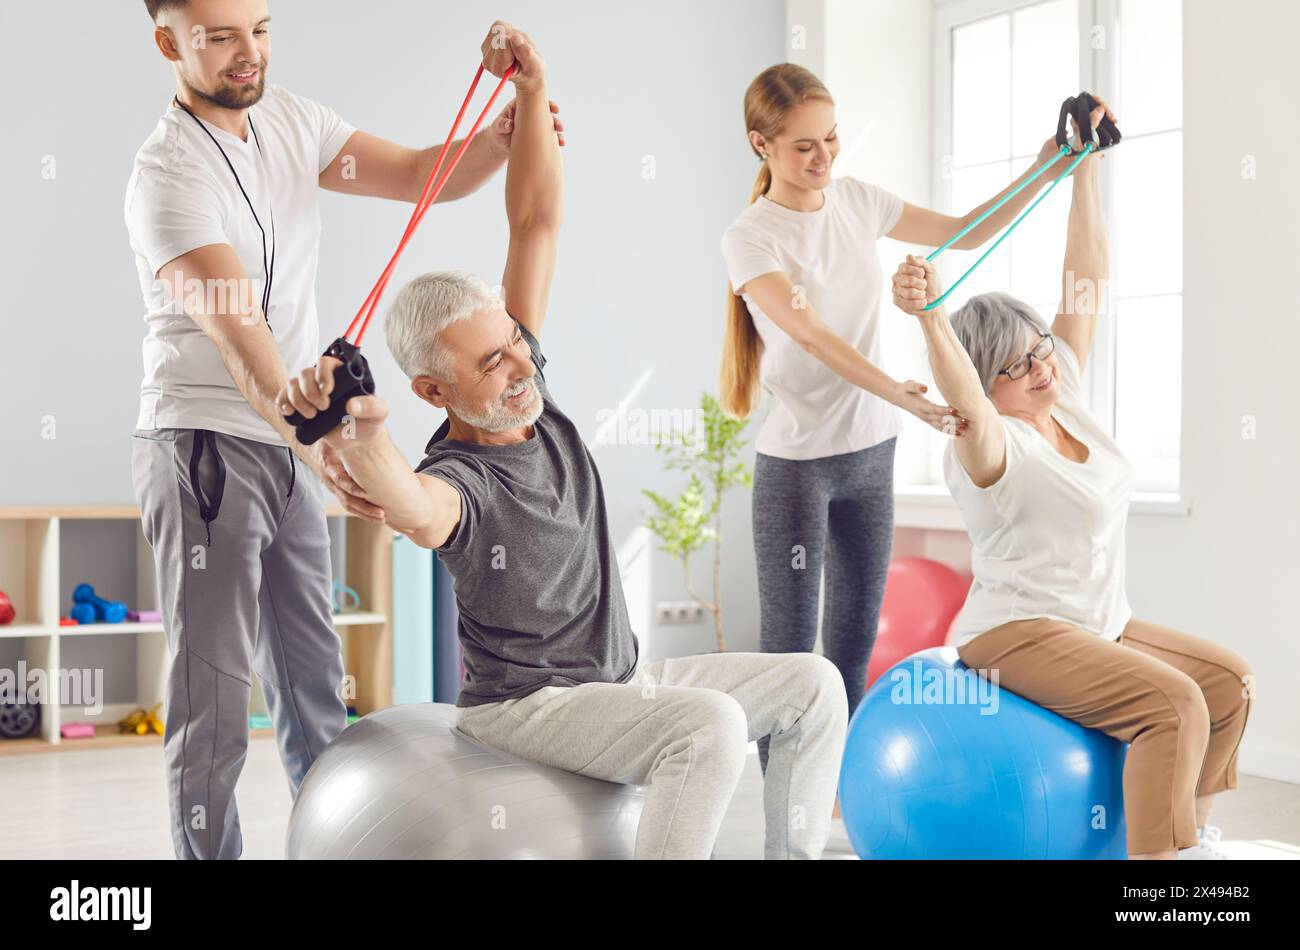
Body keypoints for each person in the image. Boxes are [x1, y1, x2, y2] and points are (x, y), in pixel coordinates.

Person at [278, 26, 847, 860]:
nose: (520, 365)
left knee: (815, 684)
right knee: (713, 727)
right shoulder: (461, 478)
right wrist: (358, 429)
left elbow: (535, 219)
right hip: (530, 709)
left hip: (623, 681)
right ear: (433, 391)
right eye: (491, 360)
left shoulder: (521, 380)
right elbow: (412, 506)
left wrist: (532, 87)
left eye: (515, 341)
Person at [125, 0, 560, 859]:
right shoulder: (166, 177)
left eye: (260, 27)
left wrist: (505, 134)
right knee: (213, 697)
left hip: (293, 439)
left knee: (315, 683)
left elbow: (426, 175)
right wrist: (320, 438)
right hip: (207, 445)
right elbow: (244, 345)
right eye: (220, 38)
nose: (249, 54)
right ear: (168, 43)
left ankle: (333, 848)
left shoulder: (293, 120)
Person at [891, 96, 1252, 860]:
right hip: (1014, 634)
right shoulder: (989, 446)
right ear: (986, 387)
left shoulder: (1067, 390)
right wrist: (929, 318)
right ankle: (1162, 884)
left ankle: (1194, 838)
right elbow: (960, 390)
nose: (1040, 367)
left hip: (1097, 620)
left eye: (1039, 348)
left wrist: (1085, 165)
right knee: (1175, 704)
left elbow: (1086, 281)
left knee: (1228, 684)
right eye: (1017, 368)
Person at [719, 64, 1092, 775]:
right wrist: (902, 393)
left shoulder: (855, 200)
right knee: (791, 657)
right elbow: (814, 336)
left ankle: (843, 802)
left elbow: (964, 230)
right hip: (794, 468)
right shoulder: (751, 236)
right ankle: (783, 822)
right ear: (760, 145)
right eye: (804, 147)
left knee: (853, 642)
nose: (824, 157)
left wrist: (1047, 166)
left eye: (831, 138)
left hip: (870, 454)